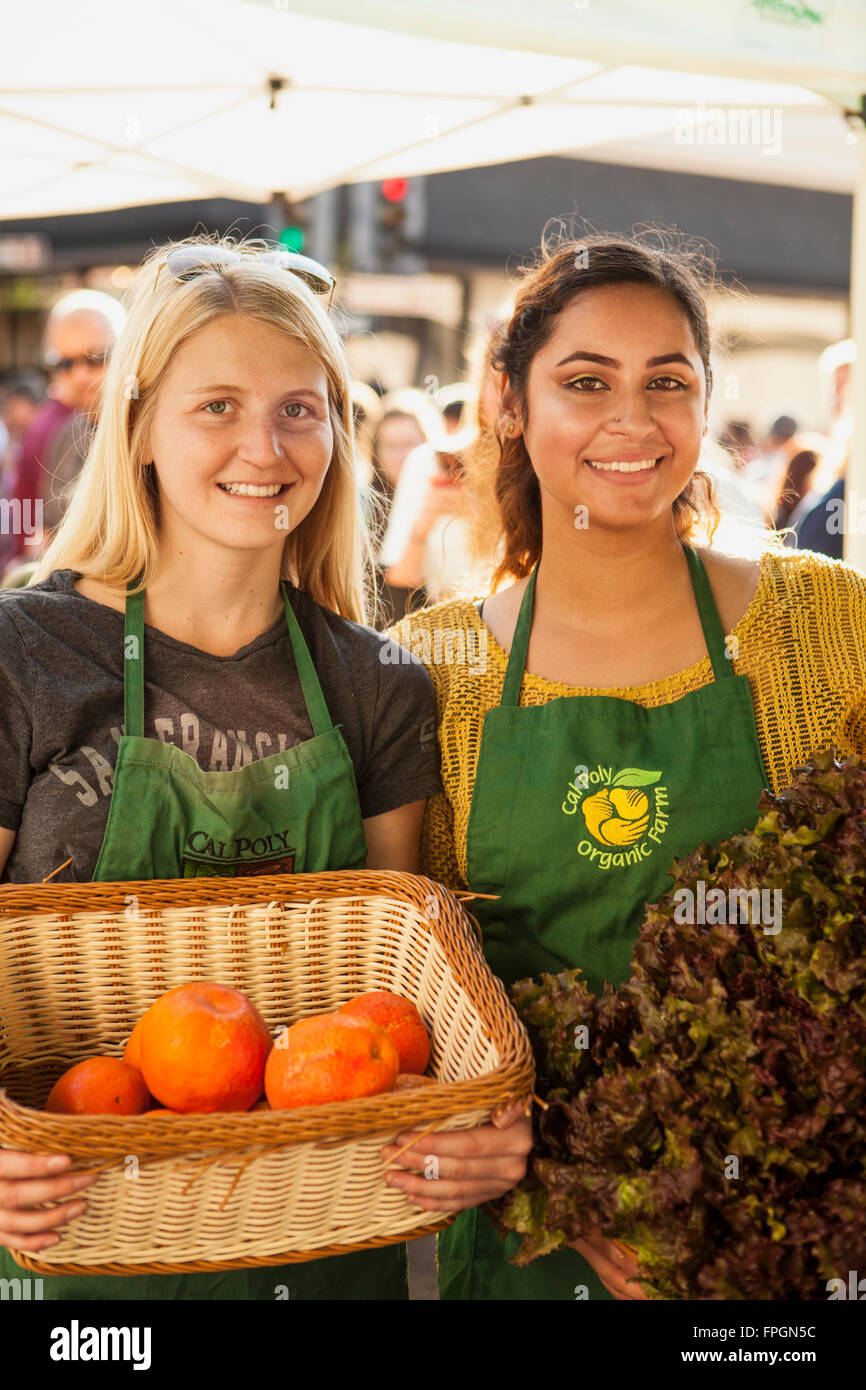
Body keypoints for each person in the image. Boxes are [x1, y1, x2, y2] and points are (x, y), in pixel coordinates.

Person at [0, 235, 530, 1300]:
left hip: (323, 1233)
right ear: (140, 425)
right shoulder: (25, 653)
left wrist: (471, 1126)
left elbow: (395, 1003)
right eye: (217, 407)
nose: (267, 446)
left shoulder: (376, 681)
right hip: (76, 1232)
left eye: (300, 408)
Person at [387, 230, 866, 1301]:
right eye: (584, 381)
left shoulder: (828, 623)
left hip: (778, 1239)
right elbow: (400, 1002)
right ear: (509, 401)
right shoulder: (430, 670)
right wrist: (570, 1180)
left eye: (667, 381)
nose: (631, 420)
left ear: (704, 403)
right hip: (528, 1240)